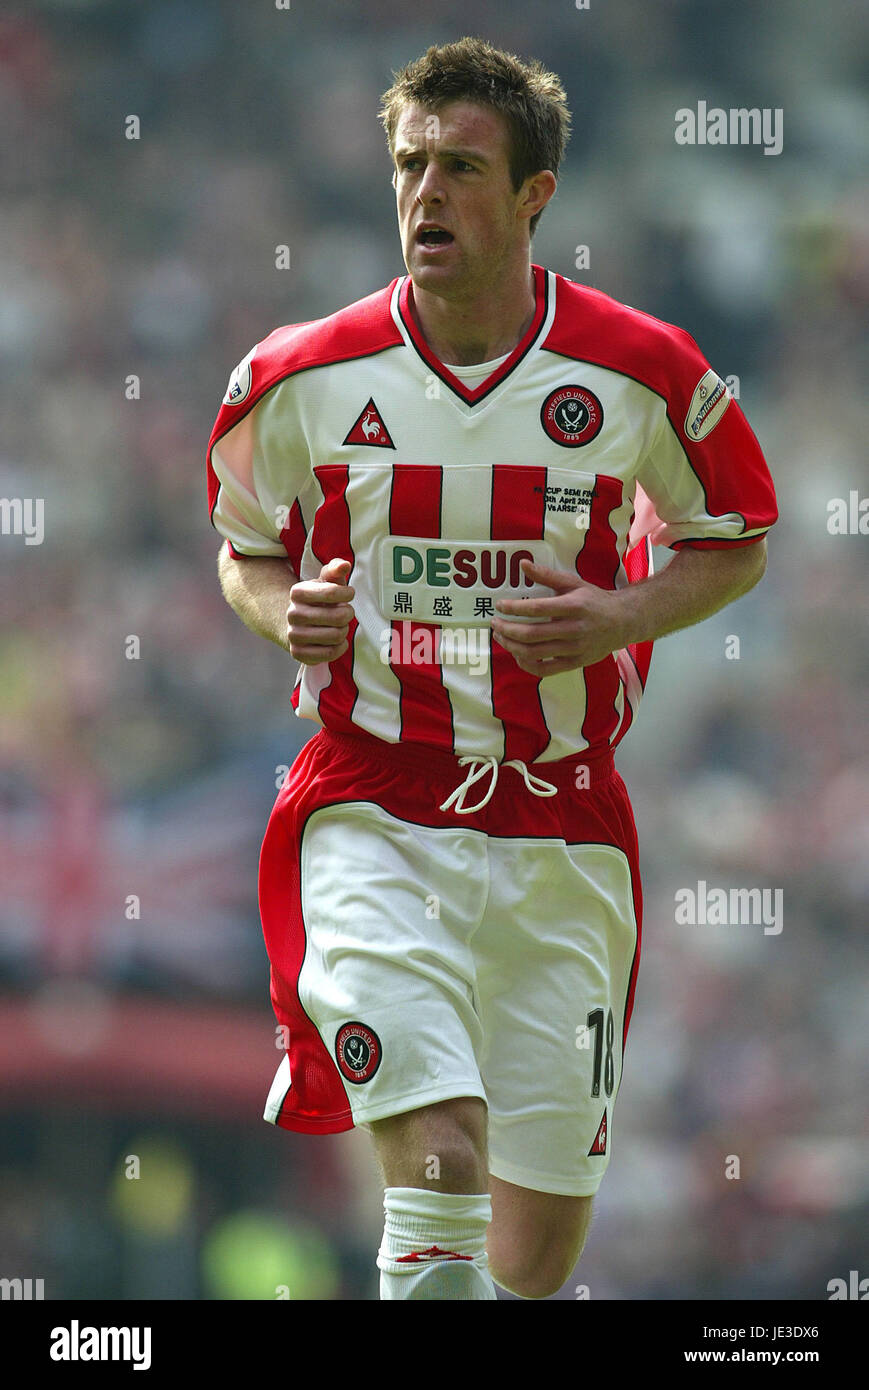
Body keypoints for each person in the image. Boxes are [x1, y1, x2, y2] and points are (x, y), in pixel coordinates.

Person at [206, 37, 777, 1300]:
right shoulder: (299, 376)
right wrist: (278, 614)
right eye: (408, 163)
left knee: (531, 1261)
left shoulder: (643, 372)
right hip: (374, 805)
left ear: (533, 196)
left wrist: (617, 616)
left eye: (460, 167)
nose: (424, 193)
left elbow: (731, 540)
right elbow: (244, 549)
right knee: (442, 1161)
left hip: (562, 825)